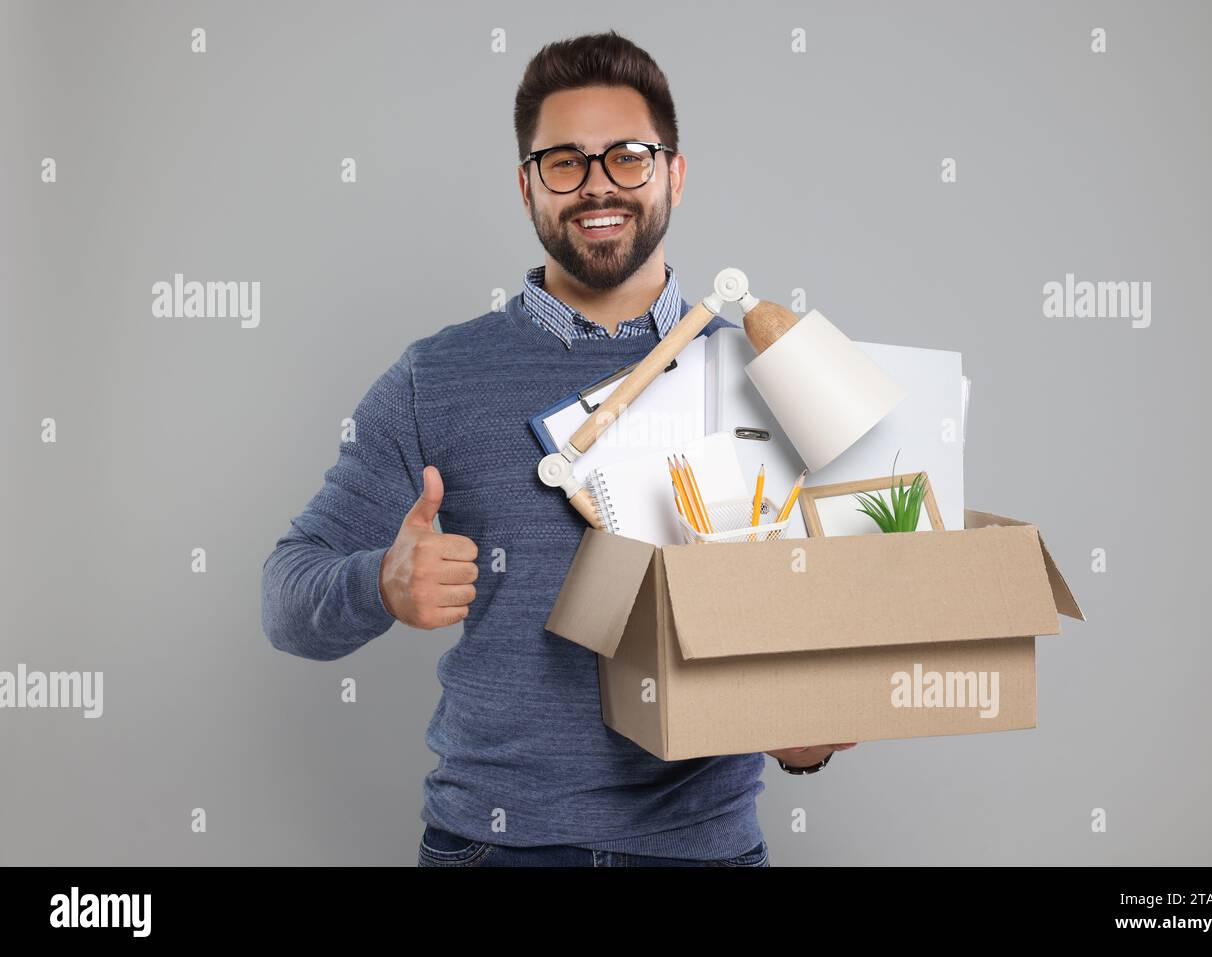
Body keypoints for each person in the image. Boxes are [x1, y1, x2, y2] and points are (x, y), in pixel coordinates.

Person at [261, 29, 856, 868]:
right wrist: (380, 582)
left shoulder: (764, 374)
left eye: (629, 157)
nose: (598, 185)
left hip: (703, 848)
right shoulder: (437, 378)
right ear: (527, 185)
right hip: (491, 847)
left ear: (674, 173)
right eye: (565, 162)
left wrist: (812, 734)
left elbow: (825, 636)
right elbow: (285, 598)